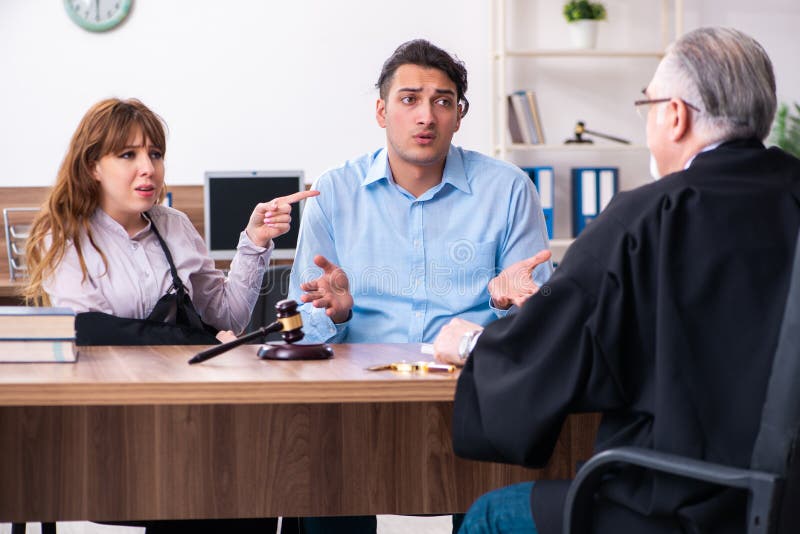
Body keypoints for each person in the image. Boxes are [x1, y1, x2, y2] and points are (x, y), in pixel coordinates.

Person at [433, 27, 800, 534]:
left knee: (488, 517)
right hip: (789, 506)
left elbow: (556, 360)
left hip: (674, 504)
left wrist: (471, 341)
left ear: (675, 115)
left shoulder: (647, 217)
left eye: (646, 105)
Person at [288, 39, 553, 533]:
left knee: (502, 498)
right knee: (316, 474)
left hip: (473, 395)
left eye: (443, 101)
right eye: (409, 99)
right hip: (356, 402)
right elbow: (304, 330)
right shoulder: (333, 193)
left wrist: (505, 305)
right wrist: (338, 313)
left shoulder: (509, 189)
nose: (426, 115)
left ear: (459, 114)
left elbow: (538, 325)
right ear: (381, 111)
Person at [24, 97, 316, 533]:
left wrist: (253, 241)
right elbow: (87, 329)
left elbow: (226, 314)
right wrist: (198, 344)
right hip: (111, 421)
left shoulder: (173, 225)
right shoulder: (64, 234)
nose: (148, 168)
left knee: (265, 473)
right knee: (208, 484)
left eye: (154, 154)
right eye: (128, 155)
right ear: (92, 166)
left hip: (186, 409)